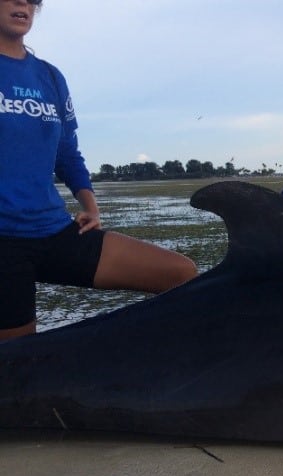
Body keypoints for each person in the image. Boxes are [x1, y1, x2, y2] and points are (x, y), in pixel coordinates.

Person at [0, 0, 197, 341]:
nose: (23, 3)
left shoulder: (49, 76)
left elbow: (67, 152)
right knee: (18, 366)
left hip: (53, 231)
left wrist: (89, 205)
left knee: (179, 272)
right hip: (3, 242)